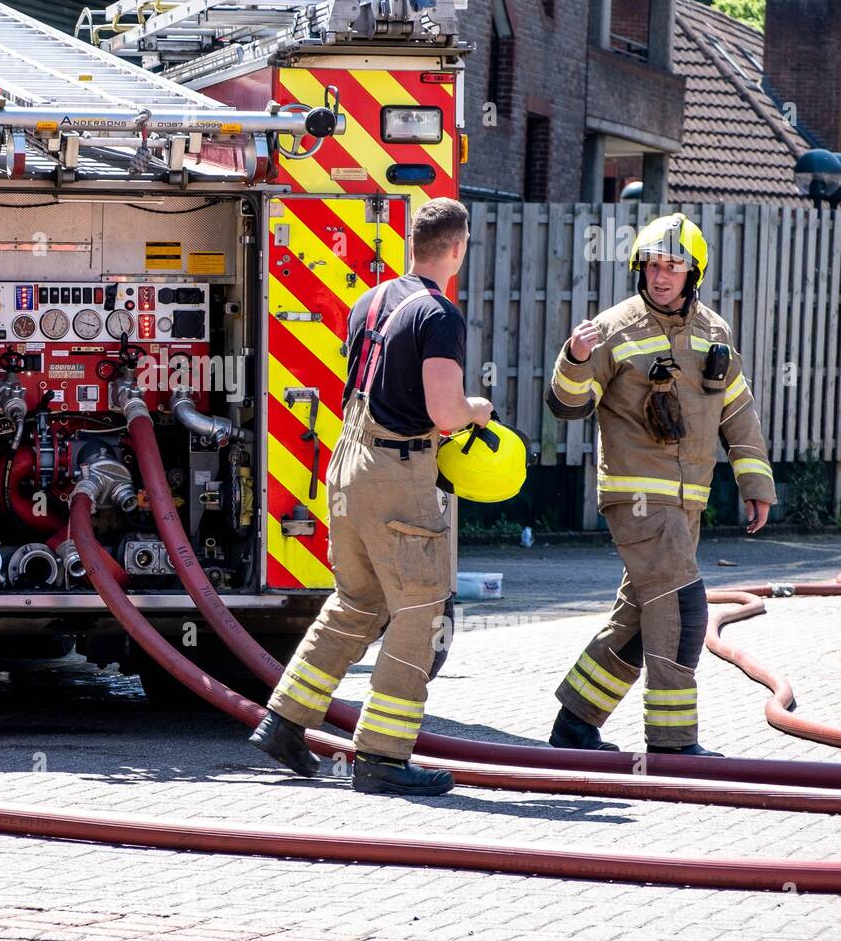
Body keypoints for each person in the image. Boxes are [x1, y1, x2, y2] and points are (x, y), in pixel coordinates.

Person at [249, 197, 490, 796]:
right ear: (456, 249)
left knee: (356, 603)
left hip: (347, 467)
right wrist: (477, 410)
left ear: (410, 242)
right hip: (398, 475)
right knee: (419, 610)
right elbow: (443, 412)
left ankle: (282, 722)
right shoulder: (440, 315)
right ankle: (381, 759)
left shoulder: (371, 300)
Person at [545, 212, 775, 756]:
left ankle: (573, 727)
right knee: (683, 606)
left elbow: (737, 411)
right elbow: (566, 405)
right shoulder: (613, 329)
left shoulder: (713, 331)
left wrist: (755, 482)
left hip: (685, 503)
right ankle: (672, 742)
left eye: (672, 266)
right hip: (637, 498)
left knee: (641, 619)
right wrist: (575, 359)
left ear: (693, 272)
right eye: (651, 265)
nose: (660, 275)